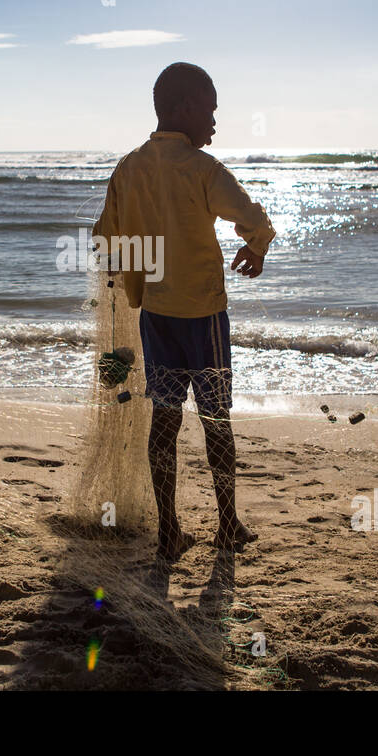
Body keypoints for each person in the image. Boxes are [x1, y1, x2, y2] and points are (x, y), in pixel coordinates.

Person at [94, 62, 275, 560]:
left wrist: (143, 265)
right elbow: (251, 216)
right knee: (216, 417)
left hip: (156, 316)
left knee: (165, 419)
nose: (215, 123)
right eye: (211, 112)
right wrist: (256, 247)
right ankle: (227, 525)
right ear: (184, 109)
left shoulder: (129, 168)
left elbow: (105, 239)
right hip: (203, 317)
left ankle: (170, 530)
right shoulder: (203, 168)